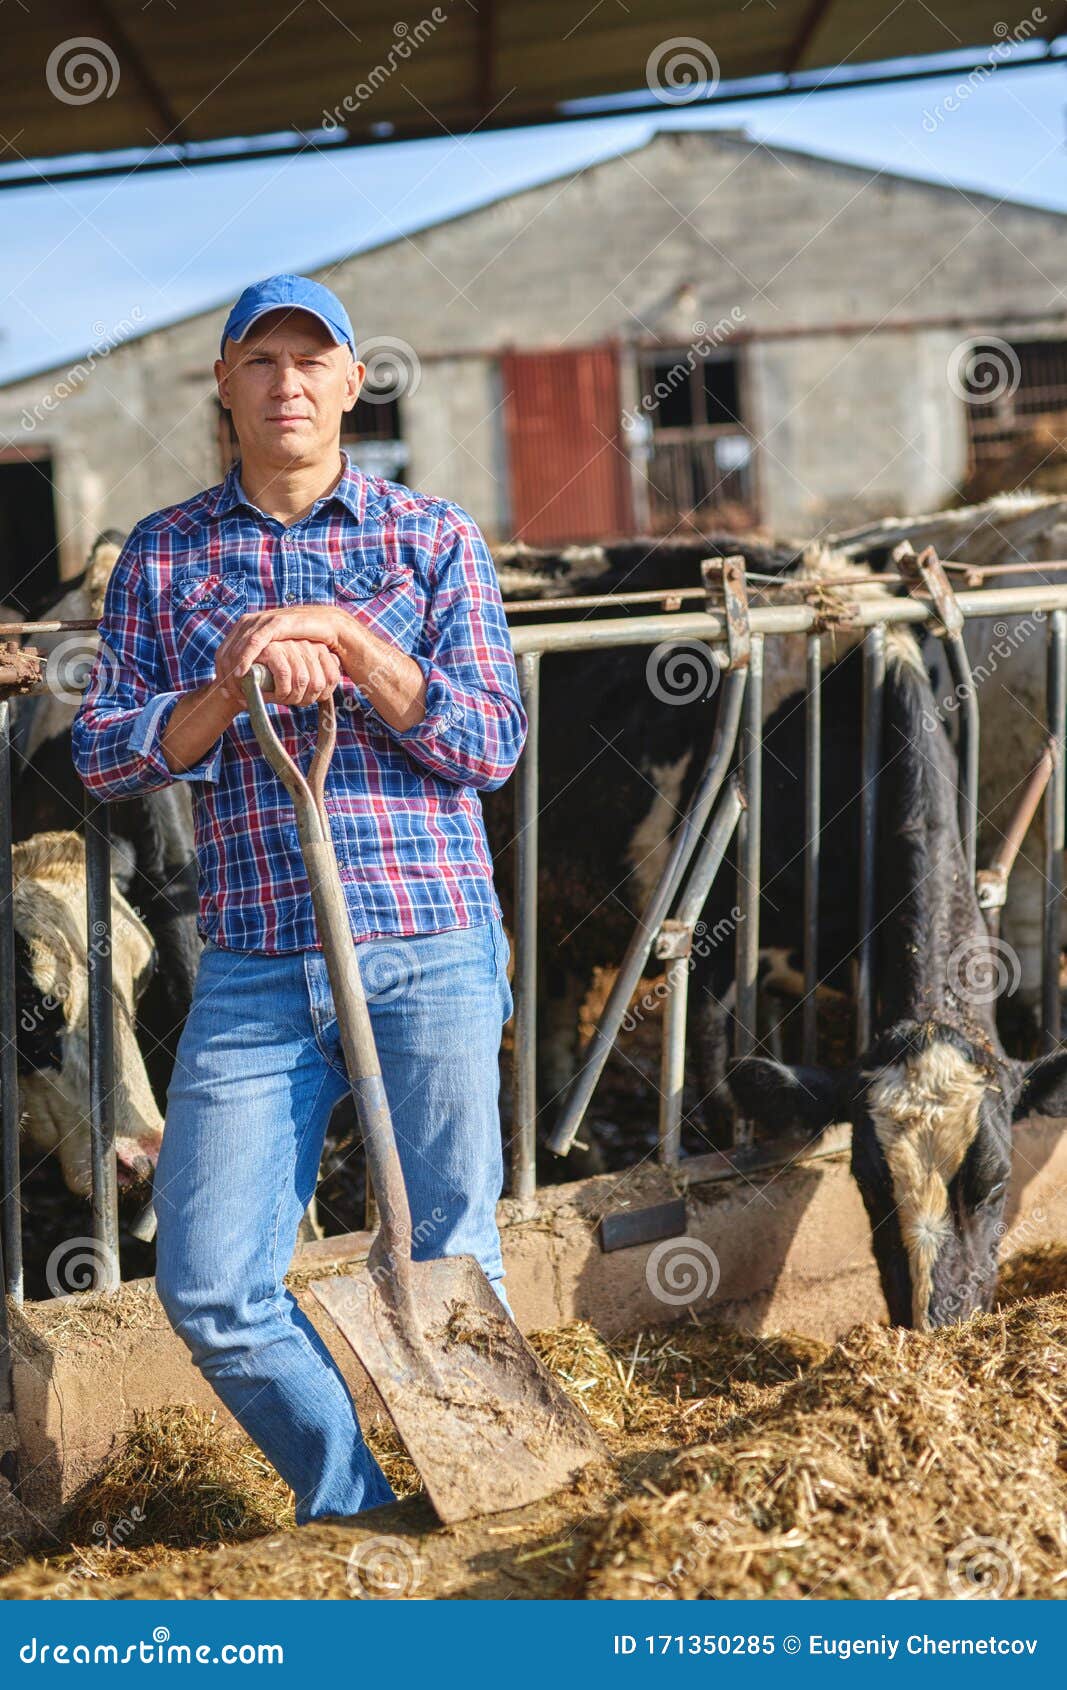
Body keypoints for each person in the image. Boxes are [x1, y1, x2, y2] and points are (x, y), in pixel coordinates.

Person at [72, 273, 527, 1523]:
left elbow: (488, 744)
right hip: (260, 960)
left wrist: (350, 640)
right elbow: (105, 752)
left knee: (448, 1257)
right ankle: (359, 1508)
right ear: (224, 388)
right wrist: (225, 688)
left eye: (309, 362)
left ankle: (488, 1501)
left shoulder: (431, 539)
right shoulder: (167, 552)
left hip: (428, 939)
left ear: (351, 383)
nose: (286, 384)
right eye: (259, 363)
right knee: (211, 1280)